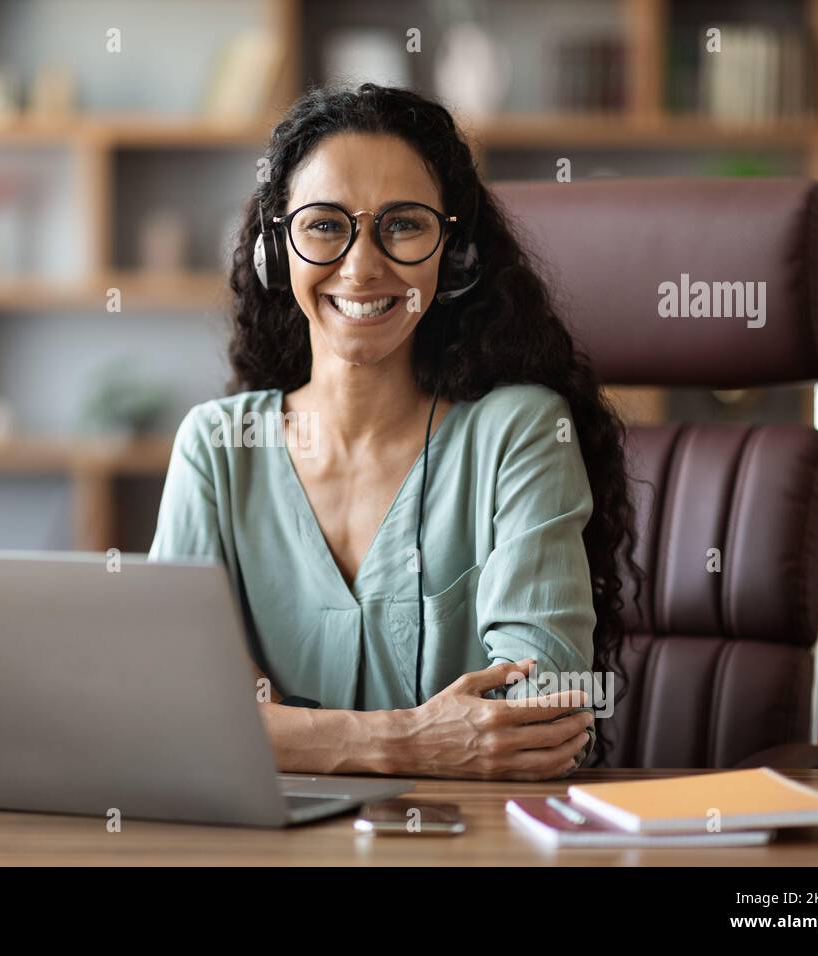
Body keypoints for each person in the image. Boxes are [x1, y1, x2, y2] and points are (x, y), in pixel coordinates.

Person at [150, 84, 640, 781]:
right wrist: (408, 740)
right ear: (275, 248)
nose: (362, 266)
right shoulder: (217, 446)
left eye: (403, 224)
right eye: (324, 224)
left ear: (455, 253)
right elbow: (170, 715)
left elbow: (543, 716)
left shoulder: (519, 433)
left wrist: (273, 728)